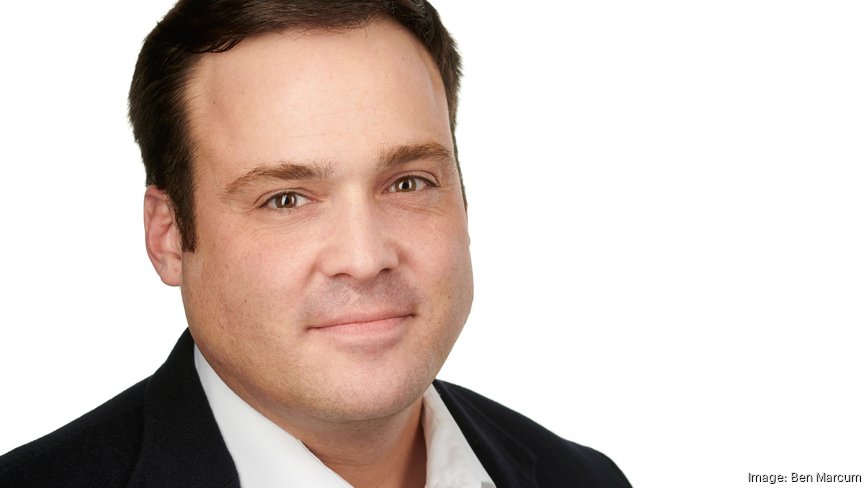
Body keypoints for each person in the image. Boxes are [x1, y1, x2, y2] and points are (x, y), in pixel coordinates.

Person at [0, 1, 631, 486]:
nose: (364, 258)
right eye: (286, 199)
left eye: (408, 182)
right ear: (169, 237)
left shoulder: (583, 479)